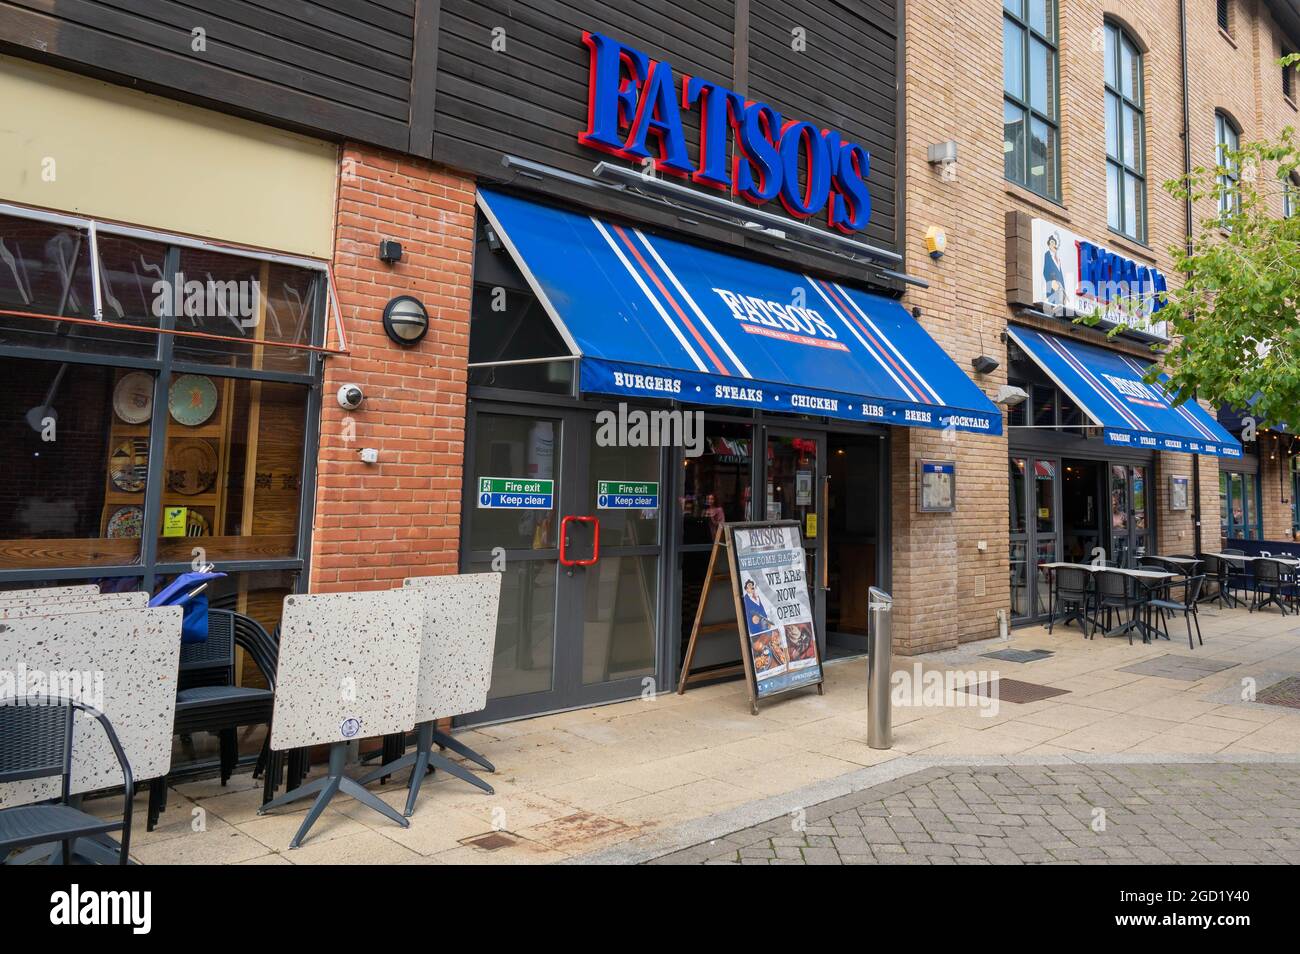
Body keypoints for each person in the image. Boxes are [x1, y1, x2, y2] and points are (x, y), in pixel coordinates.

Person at [1043, 233, 1066, 310]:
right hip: (1052, 286)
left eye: (1054, 243)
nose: (1053, 244)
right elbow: (1045, 270)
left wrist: (1064, 291)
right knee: (1052, 307)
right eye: (1052, 242)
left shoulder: (1058, 259)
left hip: (1060, 289)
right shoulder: (1047, 255)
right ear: (1049, 245)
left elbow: (1061, 275)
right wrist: (1051, 281)